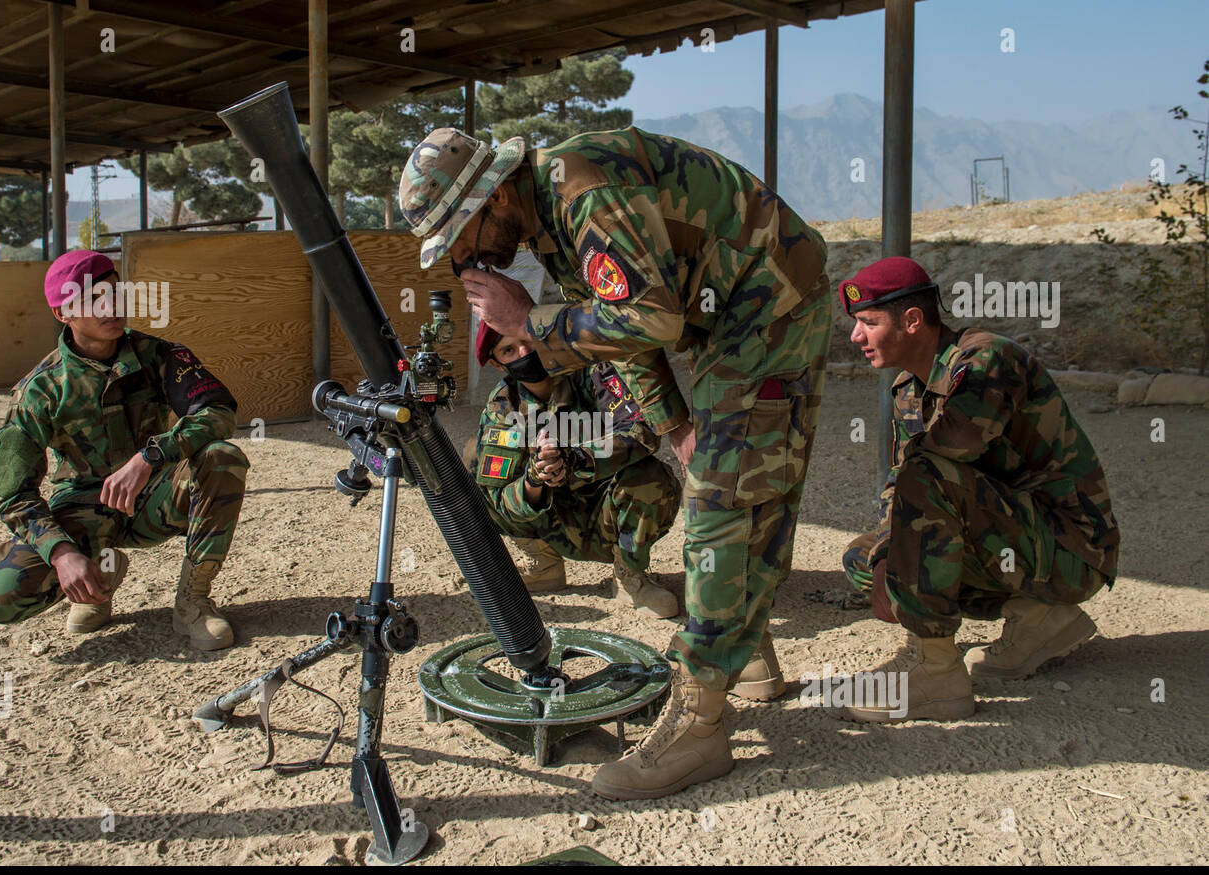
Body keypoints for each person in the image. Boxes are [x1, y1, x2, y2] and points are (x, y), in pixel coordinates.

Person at [400, 126, 832, 799]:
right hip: (725, 315)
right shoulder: (550, 222)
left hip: (768, 302)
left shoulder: (581, 189)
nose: (461, 261)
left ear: (496, 196)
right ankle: (744, 655)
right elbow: (621, 335)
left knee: (726, 494)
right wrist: (678, 425)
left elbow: (650, 317)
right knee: (732, 477)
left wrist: (531, 321)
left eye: (459, 235)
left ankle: (700, 721)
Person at [835, 256, 1120, 721]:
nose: (855, 336)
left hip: (1071, 549)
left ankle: (936, 673)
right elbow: (898, 487)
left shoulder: (987, 357)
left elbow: (944, 458)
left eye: (868, 322)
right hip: (1016, 541)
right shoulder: (909, 389)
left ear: (912, 320)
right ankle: (1037, 617)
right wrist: (888, 553)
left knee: (926, 476)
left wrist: (904, 556)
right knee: (865, 558)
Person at [0, 250, 249, 651]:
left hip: (154, 497)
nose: (111, 306)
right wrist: (62, 553)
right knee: (3, 597)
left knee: (221, 456)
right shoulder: (41, 388)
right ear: (62, 313)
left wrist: (151, 456)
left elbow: (218, 413)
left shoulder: (160, 355)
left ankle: (193, 602)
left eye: (115, 292)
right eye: (93, 299)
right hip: (84, 508)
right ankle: (99, 578)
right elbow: (13, 493)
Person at [465, 320, 681, 617]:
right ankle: (545, 564)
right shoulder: (504, 407)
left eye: (527, 339)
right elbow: (499, 499)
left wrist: (577, 459)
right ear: (498, 364)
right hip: (552, 519)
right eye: (509, 350)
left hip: (605, 511)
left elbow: (642, 432)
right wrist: (536, 479)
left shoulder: (592, 372)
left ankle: (629, 574)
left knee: (650, 478)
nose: (525, 352)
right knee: (470, 473)